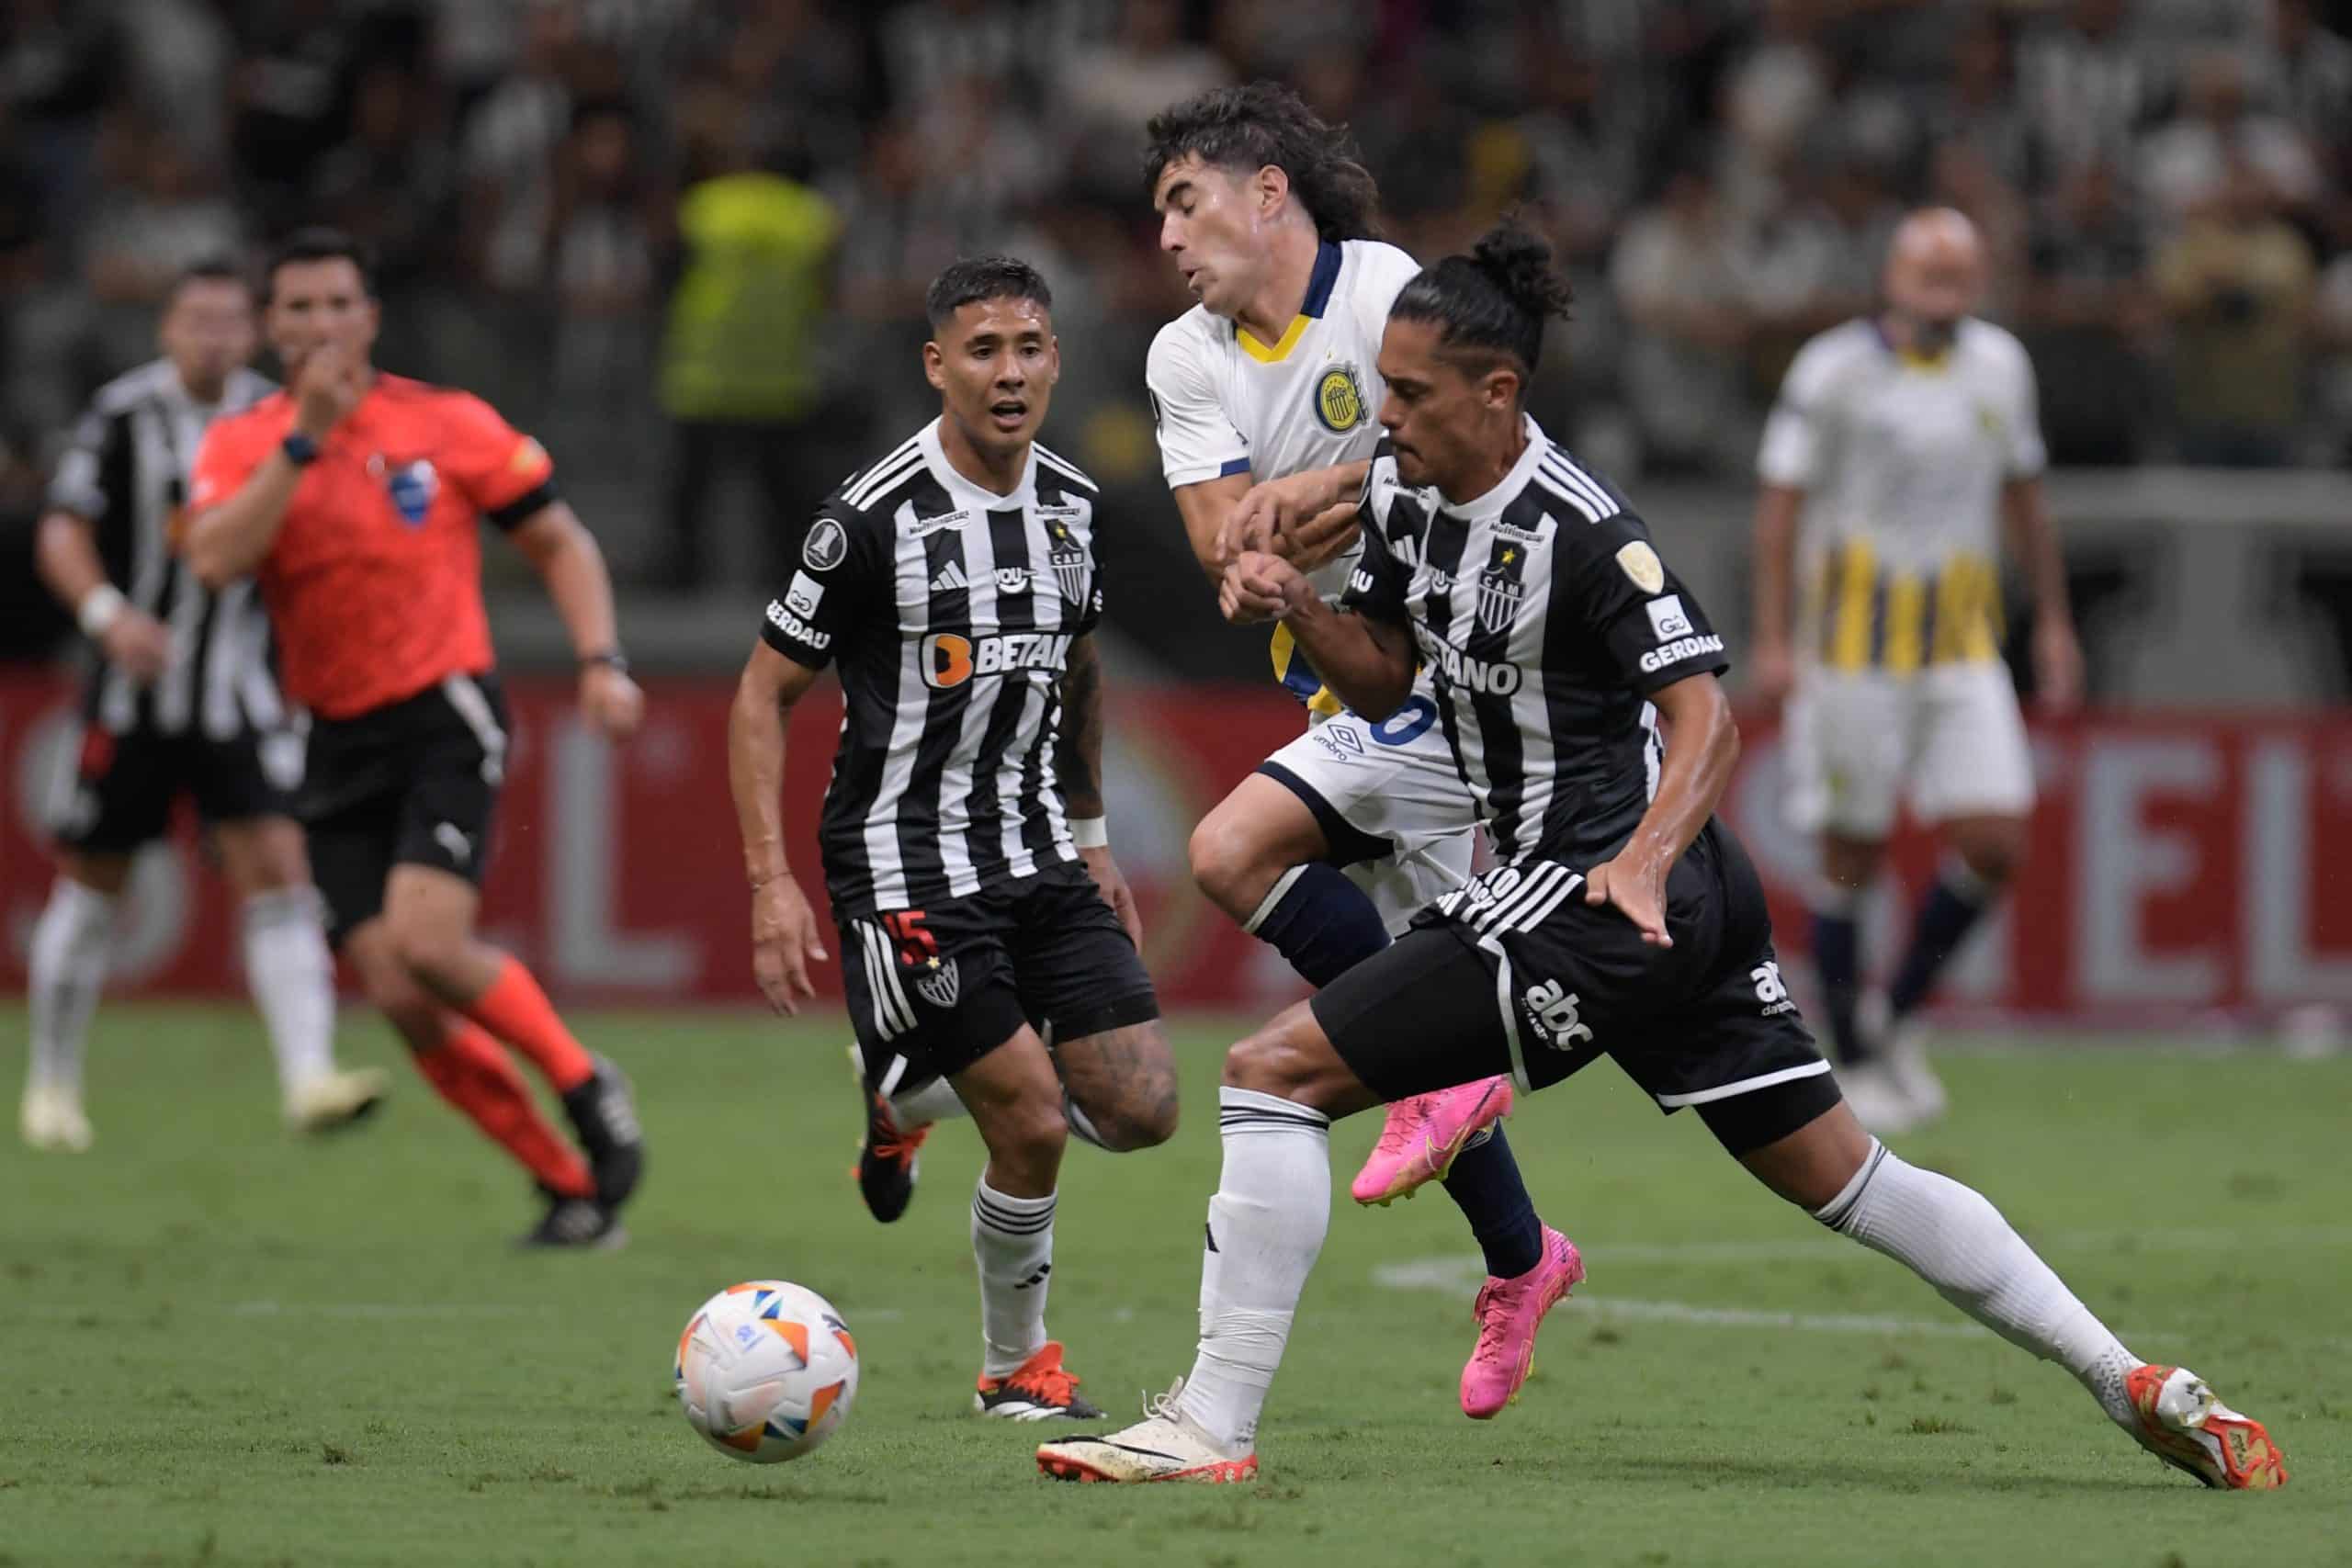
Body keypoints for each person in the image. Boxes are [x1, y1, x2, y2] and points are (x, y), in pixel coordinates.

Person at [1035, 224, 2283, 1493]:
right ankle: (2131, 1379)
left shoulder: (1585, 531)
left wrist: (1638, 861)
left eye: (1410, 392)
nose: (1386, 414)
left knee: (1270, 1073)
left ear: (1497, 392)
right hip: (1650, 900)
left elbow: (1707, 714)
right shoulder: (1410, 496)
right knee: (1846, 1172)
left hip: (1595, 887)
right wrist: (1303, 604)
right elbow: (1396, 672)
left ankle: (1211, 1426)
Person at [1138, 81, 1577, 1422]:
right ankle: (1524, 1257)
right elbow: (1228, 534)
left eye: (1184, 199)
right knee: (1393, 1007)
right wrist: (1268, 541)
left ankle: (1513, 1233)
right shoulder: (1184, 355)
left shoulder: (1384, 286)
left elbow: (1417, 458)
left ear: (1269, 192)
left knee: (1419, 1019)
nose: (1166, 233)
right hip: (1344, 679)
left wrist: (1300, 506)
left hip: (1456, 666)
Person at [728, 256, 1177, 1420]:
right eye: (982, 350)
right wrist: (771, 884)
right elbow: (759, 696)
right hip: (902, 862)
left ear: (1057, 360)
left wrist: (1089, 834)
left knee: (1143, 1111)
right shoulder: (867, 520)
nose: (1010, 371)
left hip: (1033, 847)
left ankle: (905, 1097)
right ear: (938, 366)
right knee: (1029, 1119)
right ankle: (1013, 1369)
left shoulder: (1075, 507)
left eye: (1029, 347)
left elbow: (1078, 673)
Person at [183, 230, 646, 1248]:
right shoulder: (243, 441)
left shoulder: (444, 423)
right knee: (398, 989)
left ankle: (583, 1081)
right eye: (296, 308)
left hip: (443, 710)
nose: (317, 325)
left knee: (430, 942)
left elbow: (559, 538)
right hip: (332, 738)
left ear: (370, 316)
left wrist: (601, 660)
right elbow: (214, 559)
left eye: (335, 304)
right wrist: (303, 440)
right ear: (270, 327)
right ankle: (570, 1185)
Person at [21, 260, 388, 1150]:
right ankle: (50, 1087)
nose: (213, 337)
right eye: (196, 320)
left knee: (279, 871)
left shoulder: (281, 417)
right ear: (165, 329)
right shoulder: (123, 415)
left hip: (242, 695)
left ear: (253, 331)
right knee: (95, 880)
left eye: (229, 322)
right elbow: (63, 529)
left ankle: (309, 1080)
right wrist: (109, 616)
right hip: (133, 698)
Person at [1750, 209, 2083, 1134]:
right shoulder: (1832, 370)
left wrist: (2051, 622)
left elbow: (2025, 499)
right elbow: (1778, 509)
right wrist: (1774, 637)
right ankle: (1851, 1055)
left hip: (1964, 647)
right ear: (1890, 274)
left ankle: (1890, 1016)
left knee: (1996, 840)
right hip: (1850, 650)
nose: (1942, 288)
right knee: (1851, 851)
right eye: (1926, 271)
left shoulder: (1999, 366)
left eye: (1957, 274)